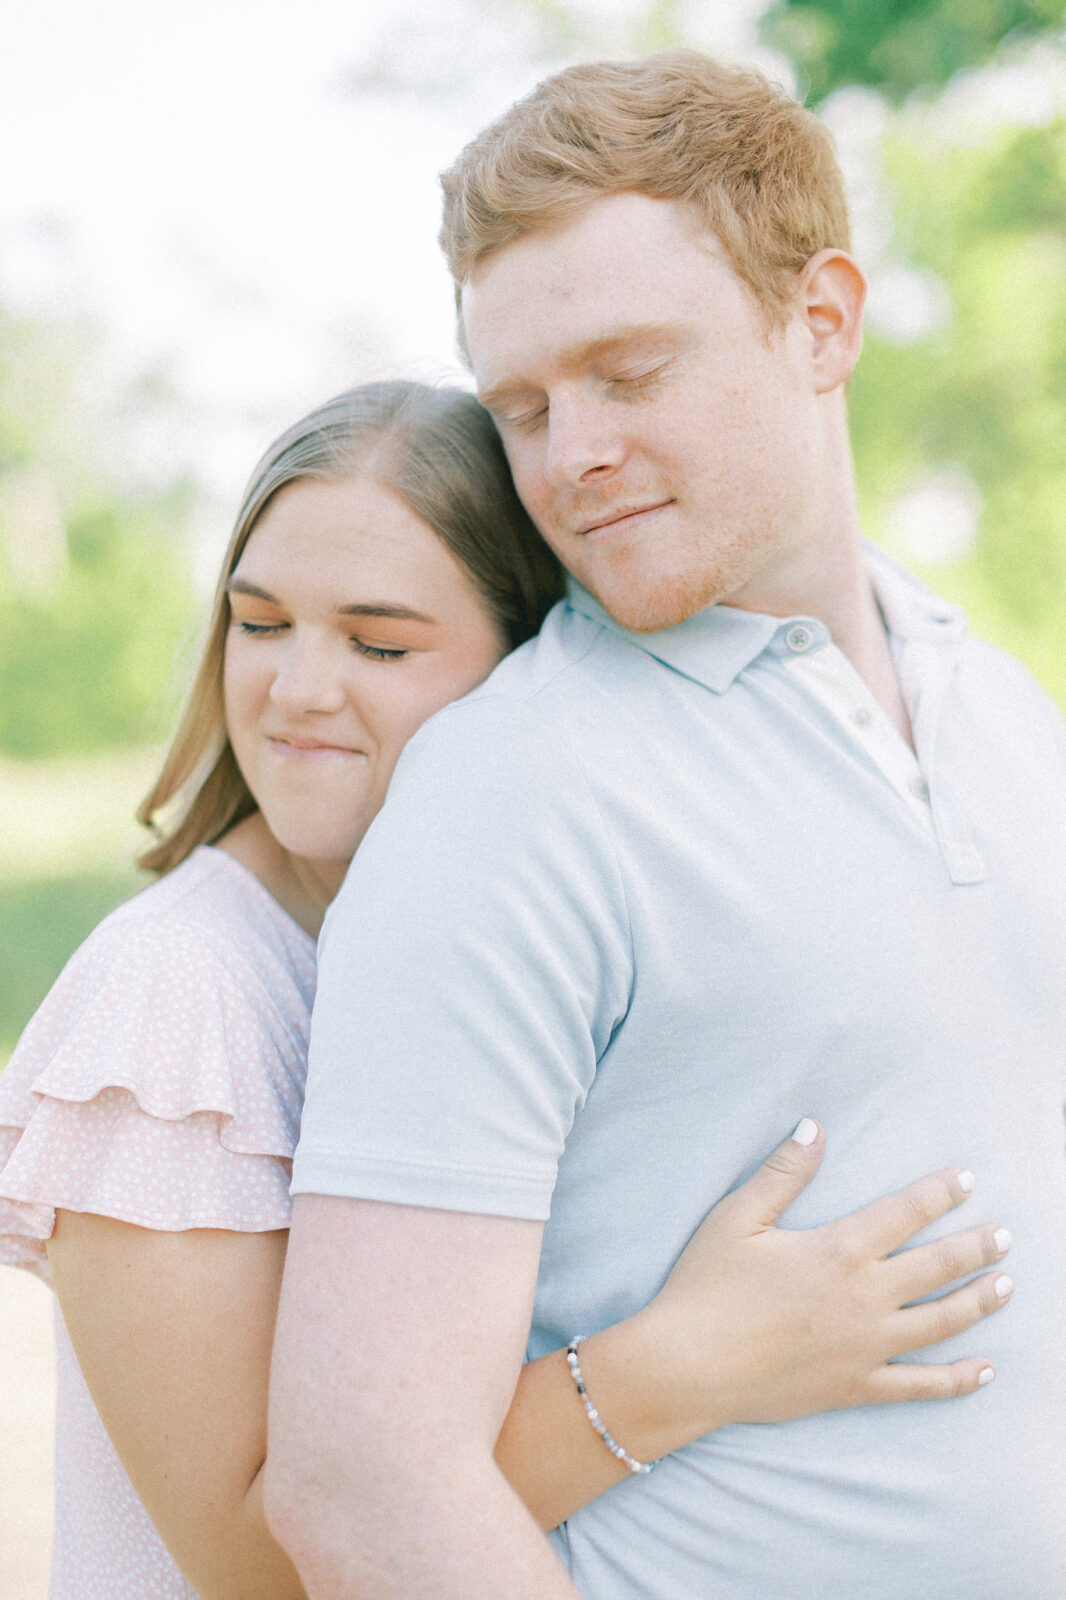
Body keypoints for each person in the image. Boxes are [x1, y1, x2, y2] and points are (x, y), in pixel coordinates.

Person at [265, 51, 1066, 1600]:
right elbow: (363, 1482)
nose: (569, 457)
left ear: (820, 322)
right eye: (520, 408)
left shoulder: (1003, 709)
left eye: (628, 376)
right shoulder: (509, 797)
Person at [0, 380, 1004, 1600]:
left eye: (377, 644)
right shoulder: (180, 995)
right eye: (259, 624)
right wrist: (688, 1361)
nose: (299, 688)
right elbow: (258, 1565)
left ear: (529, 669)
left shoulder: (512, 955)